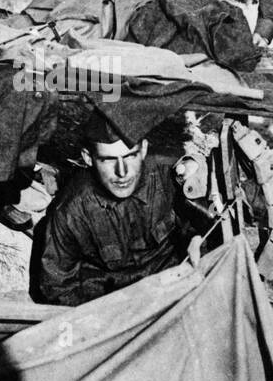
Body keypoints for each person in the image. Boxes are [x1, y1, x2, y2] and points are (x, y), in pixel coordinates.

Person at [37, 115, 189, 306]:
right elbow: (57, 286)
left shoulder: (166, 175)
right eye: (109, 160)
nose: (122, 171)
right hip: (112, 300)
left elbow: (200, 226)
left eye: (129, 156)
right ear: (88, 158)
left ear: (143, 149)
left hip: (170, 281)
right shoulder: (71, 211)